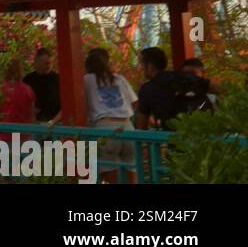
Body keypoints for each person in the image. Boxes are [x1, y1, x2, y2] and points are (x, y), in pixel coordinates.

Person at [83, 48, 138, 183]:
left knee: (111, 174)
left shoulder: (87, 79)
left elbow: (78, 104)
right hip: (128, 127)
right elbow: (135, 103)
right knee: (131, 168)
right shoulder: (120, 78)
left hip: (105, 127)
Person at [136, 47, 213, 130]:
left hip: (174, 138)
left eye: (141, 64)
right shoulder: (184, 76)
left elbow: (142, 126)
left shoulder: (147, 89)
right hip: (204, 133)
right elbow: (219, 88)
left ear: (150, 65)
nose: (140, 68)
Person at [23, 48, 61, 124]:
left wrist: (51, 122)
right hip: (31, 125)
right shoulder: (28, 79)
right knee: (14, 134)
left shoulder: (57, 79)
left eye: (50, 63)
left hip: (53, 125)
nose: (49, 66)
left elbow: (65, 106)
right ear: (37, 62)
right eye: (46, 63)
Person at [0, 58, 35, 127]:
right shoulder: (27, 90)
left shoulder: (1, 90)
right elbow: (32, 115)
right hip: (23, 130)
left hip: (6, 130)